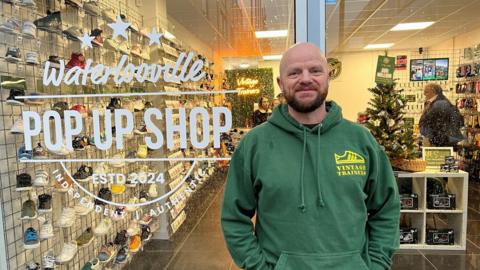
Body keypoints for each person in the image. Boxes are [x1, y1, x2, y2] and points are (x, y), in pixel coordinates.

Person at [221, 42, 400, 270]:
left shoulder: (360, 140)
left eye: (315, 70)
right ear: (280, 83)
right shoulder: (254, 144)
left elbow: (386, 208)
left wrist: (376, 264)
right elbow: (234, 217)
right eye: (294, 72)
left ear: (328, 76)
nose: (305, 78)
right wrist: (258, 267)